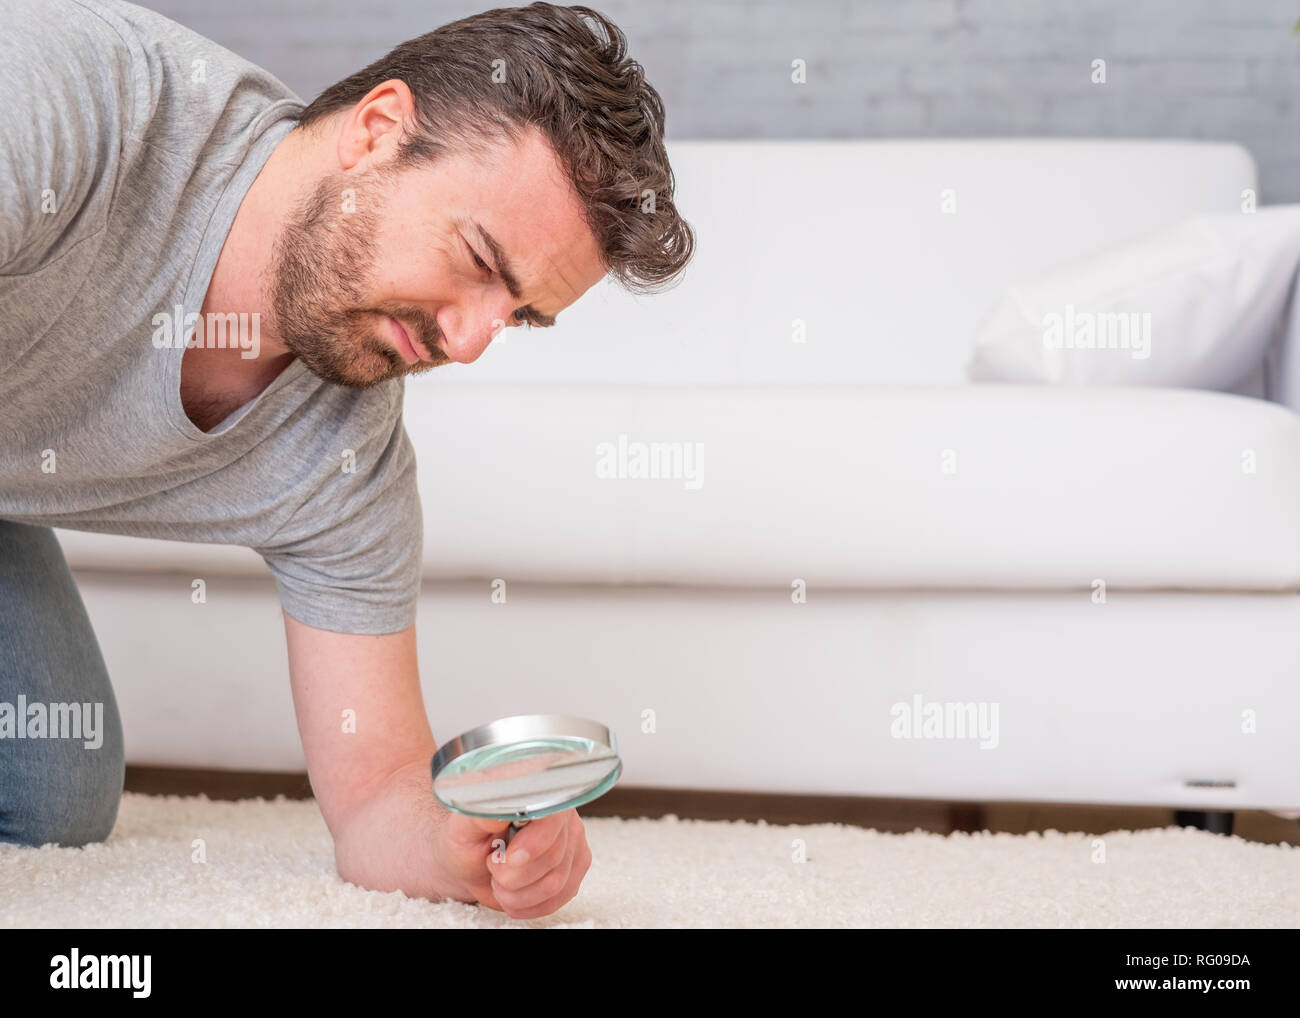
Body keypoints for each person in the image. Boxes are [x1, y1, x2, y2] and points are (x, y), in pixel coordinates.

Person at [0, 0, 693, 921]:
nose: (472, 342)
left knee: (56, 789)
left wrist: (464, 847)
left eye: (519, 315)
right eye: (480, 258)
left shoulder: (347, 458)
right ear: (377, 131)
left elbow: (374, 796)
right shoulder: (72, 90)